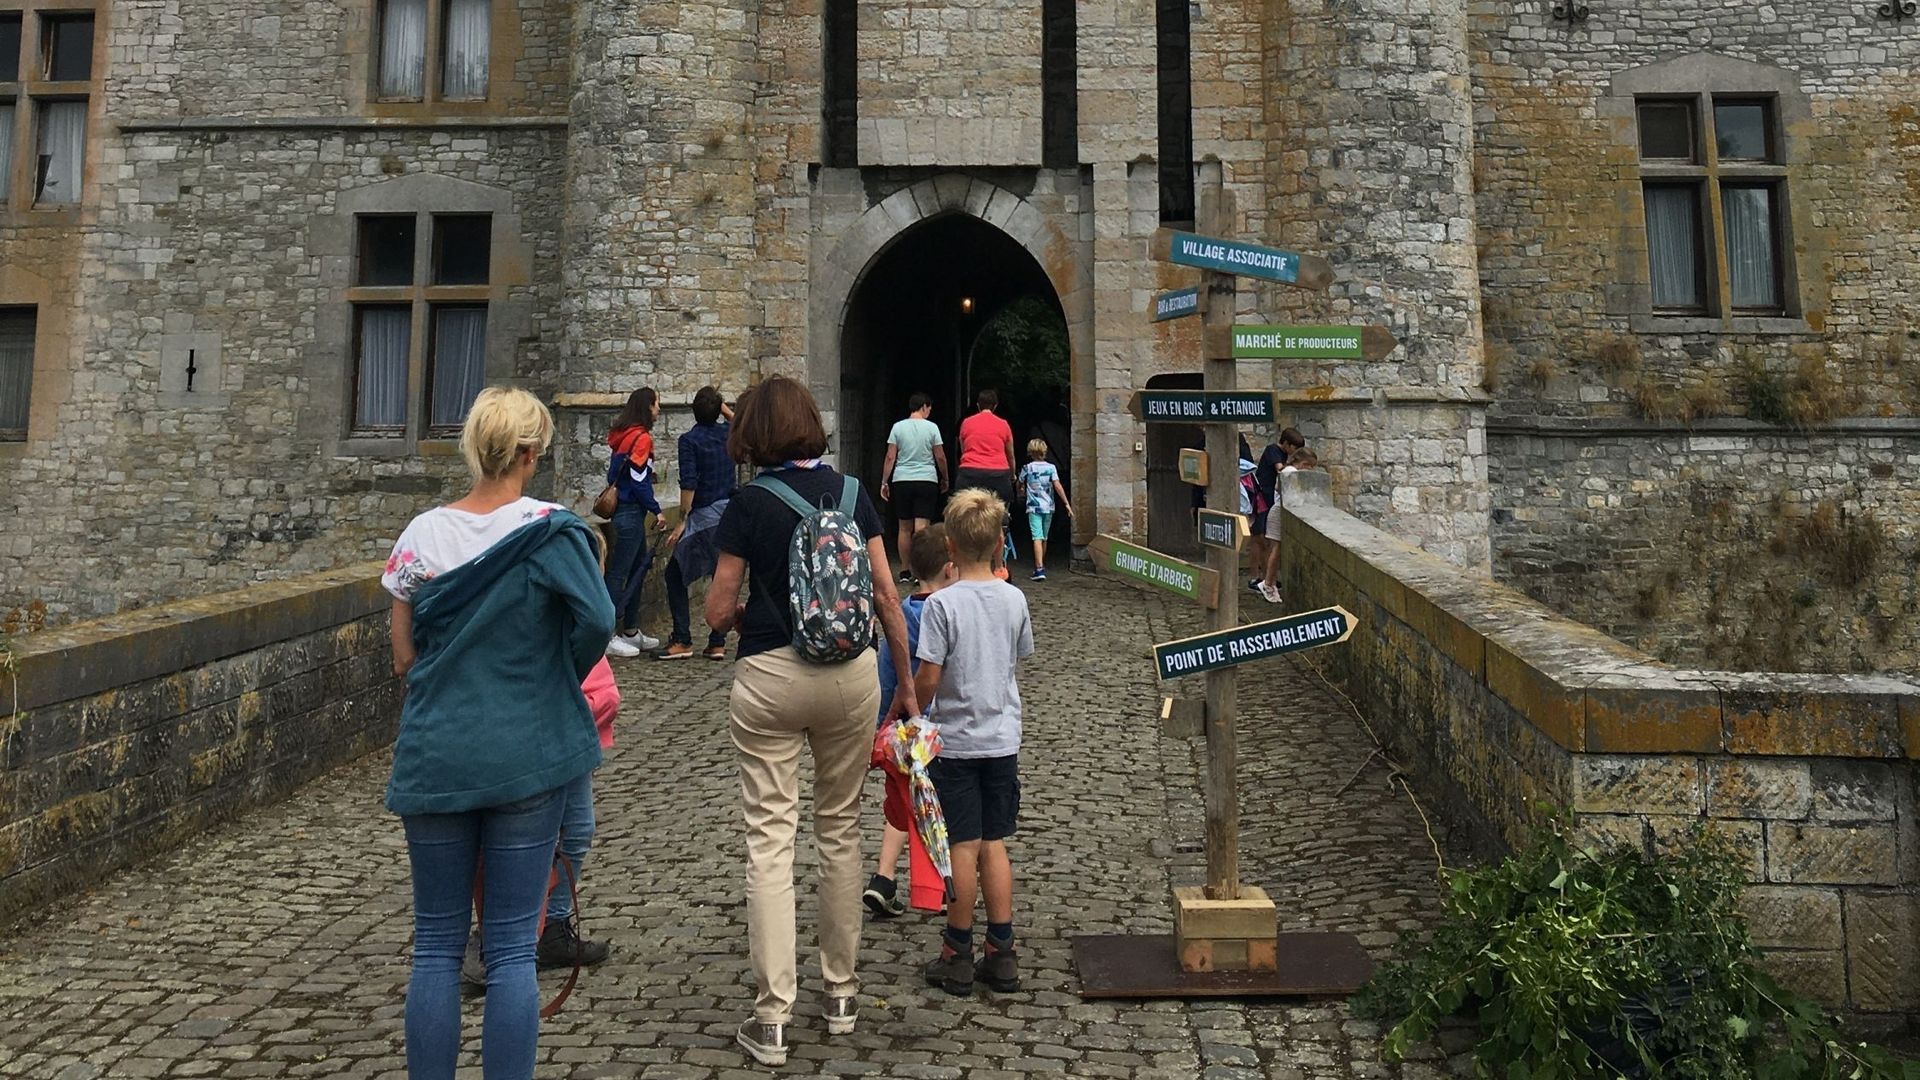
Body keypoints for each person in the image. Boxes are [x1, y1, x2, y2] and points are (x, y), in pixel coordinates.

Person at [381, 387, 614, 1080]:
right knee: (513, 947)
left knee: (436, 946)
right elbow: (597, 622)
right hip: (524, 752)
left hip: (437, 751)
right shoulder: (552, 531)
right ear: (530, 452)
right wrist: (549, 677)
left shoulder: (420, 535)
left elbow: (402, 657)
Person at [703, 375, 920, 1067]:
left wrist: (740, 613)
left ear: (755, 436)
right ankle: (843, 997)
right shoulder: (855, 496)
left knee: (770, 839)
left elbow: (715, 612)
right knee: (839, 834)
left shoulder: (746, 504)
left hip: (771, 674)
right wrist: (907, 684)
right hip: (851, 676)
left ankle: (771, 1019)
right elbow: (888, 597)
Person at [913, 489, 1034, 998]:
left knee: (960, 846)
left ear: (950, 549)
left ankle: (957, 951)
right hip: (1002, 738)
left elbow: (930, 676)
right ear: (1000, 542)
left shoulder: (941, 604)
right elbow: (1018, 656)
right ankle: (1001, 951)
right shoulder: (1014, 598)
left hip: (957, 742)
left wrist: (913, 713)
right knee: (995, 843)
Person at [865, 524, 956, 919]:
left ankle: (883, 879)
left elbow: (888, 672)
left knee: (904, 805)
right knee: (936, 810)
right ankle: (936, 888)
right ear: (951, 570)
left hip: (897, 733)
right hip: (933, 733)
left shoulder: (900, 613)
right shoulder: (946, 613)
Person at [659, 385, 737, 661]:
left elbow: (689, 483)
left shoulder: (689, 441)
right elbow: (741, 424)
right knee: (722, 577)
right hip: (728, 515)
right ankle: (716, 641)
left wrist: (682, 521)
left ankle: (682, 638)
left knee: (674, 576)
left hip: (704, 517)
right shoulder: (728, 434)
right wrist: (724, 407)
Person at [604, 388, 663, 658]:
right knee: (619, 572)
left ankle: (630, 629)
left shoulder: (623, 436)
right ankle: (606, 634)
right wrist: (657, 510)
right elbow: (639, 481)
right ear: (647, 407)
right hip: (630, 511)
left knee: (639, 567)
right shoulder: (641, 438)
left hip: (626, 512)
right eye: (656, 404)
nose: (659, 409)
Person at [880, 392, 949, 584]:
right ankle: (920, 571)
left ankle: (904, 570)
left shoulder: (897, 427)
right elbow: (940, 456)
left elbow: (890, 457)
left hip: (902, 480)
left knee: (904, 527)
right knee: (922, 527)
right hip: (926, 479)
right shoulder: (932, 428)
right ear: (924, 407)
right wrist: (945, 477)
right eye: (929, 408)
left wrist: (884, 481)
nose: (930, 412)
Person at [1259, 445, 1319, 604]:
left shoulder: (1290, 471)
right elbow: (1282, 489)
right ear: (1300, 461)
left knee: (1278, 550)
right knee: (1276, 550)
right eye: (1308, 465)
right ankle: (1268, 584)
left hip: (1281, 511)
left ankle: (1270, 583)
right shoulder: (1289, 471)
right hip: (1279, 512)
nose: (1309, 469)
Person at [1248, 428, 1304, 598]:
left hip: (1268, 500)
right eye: (1293, 449)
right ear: (1286, 444)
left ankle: (1266, 577)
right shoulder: (1273, 450)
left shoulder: (1282, 454)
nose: (1294, 453)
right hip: (1260, 500)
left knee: (1266, 541)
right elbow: (1281, 470)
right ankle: (1255, 577)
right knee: (1258, 538)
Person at [1016, 439, 1074, 582]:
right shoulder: (1051, 468)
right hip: (1048, 506)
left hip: (1034, 506)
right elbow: (1057, 485)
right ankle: (1041, 565)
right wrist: (1066, 503)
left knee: (1037, 537)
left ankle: (1039, 568)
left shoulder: (1027, 468)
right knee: (1044, 537)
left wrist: (1020, 490)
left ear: (1030, 452)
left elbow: (1019, 482)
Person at [954, 388, 1017, 511]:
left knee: (967, 514)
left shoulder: (966, 423)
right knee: (999, 516)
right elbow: (1010, 454)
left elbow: (963, 449)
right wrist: (1012, 475)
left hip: (970, 473)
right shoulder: (1003, 424)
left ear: (978, 405)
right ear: (995, 406)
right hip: (998, 474)